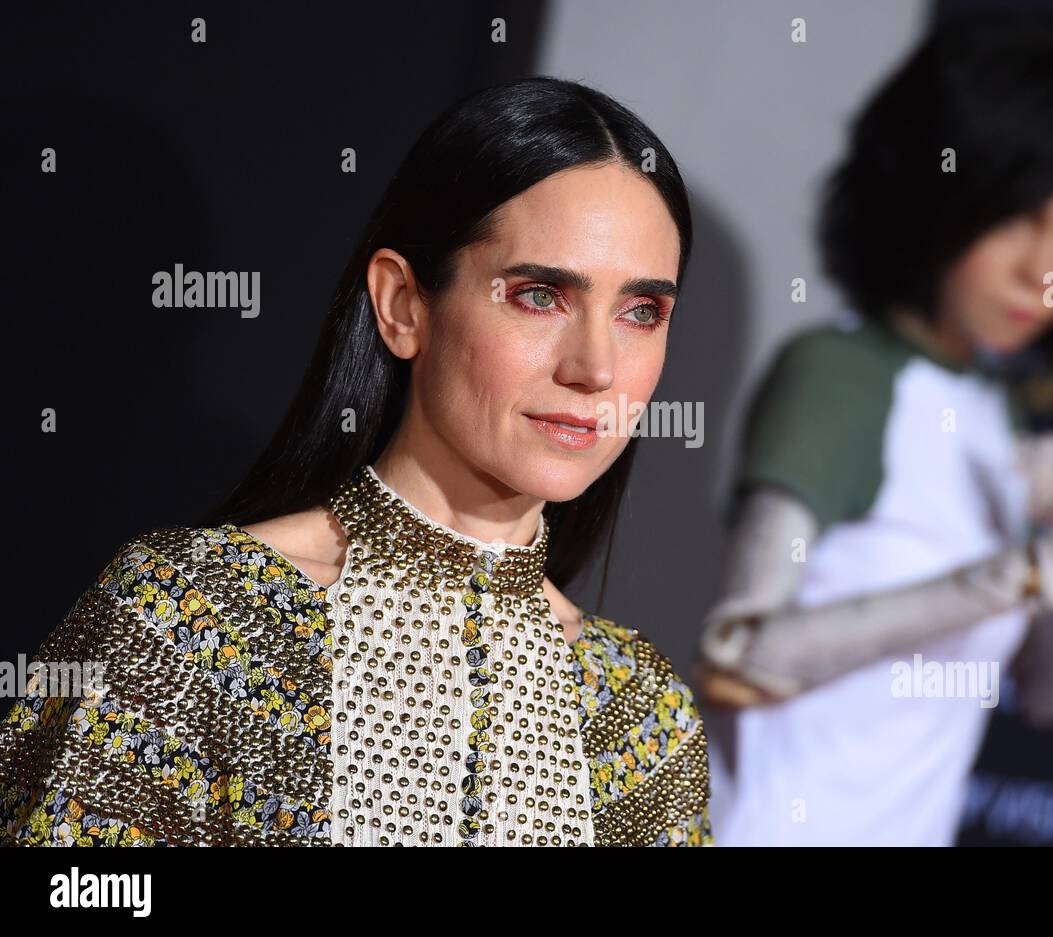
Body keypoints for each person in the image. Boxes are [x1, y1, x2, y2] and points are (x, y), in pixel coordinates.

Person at [0, 77, 711, 847]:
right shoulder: (192, 614)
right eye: (540, 295)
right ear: (403, 304)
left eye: (642, 312)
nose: (597, 368)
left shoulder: (643, 720)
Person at [696, 12, 1053, 846]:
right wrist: (1022, 572)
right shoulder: (841, 375)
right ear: (946, 188)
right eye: (1018, 214)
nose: (1045, 272)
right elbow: (739, 654)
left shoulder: (995, 409)